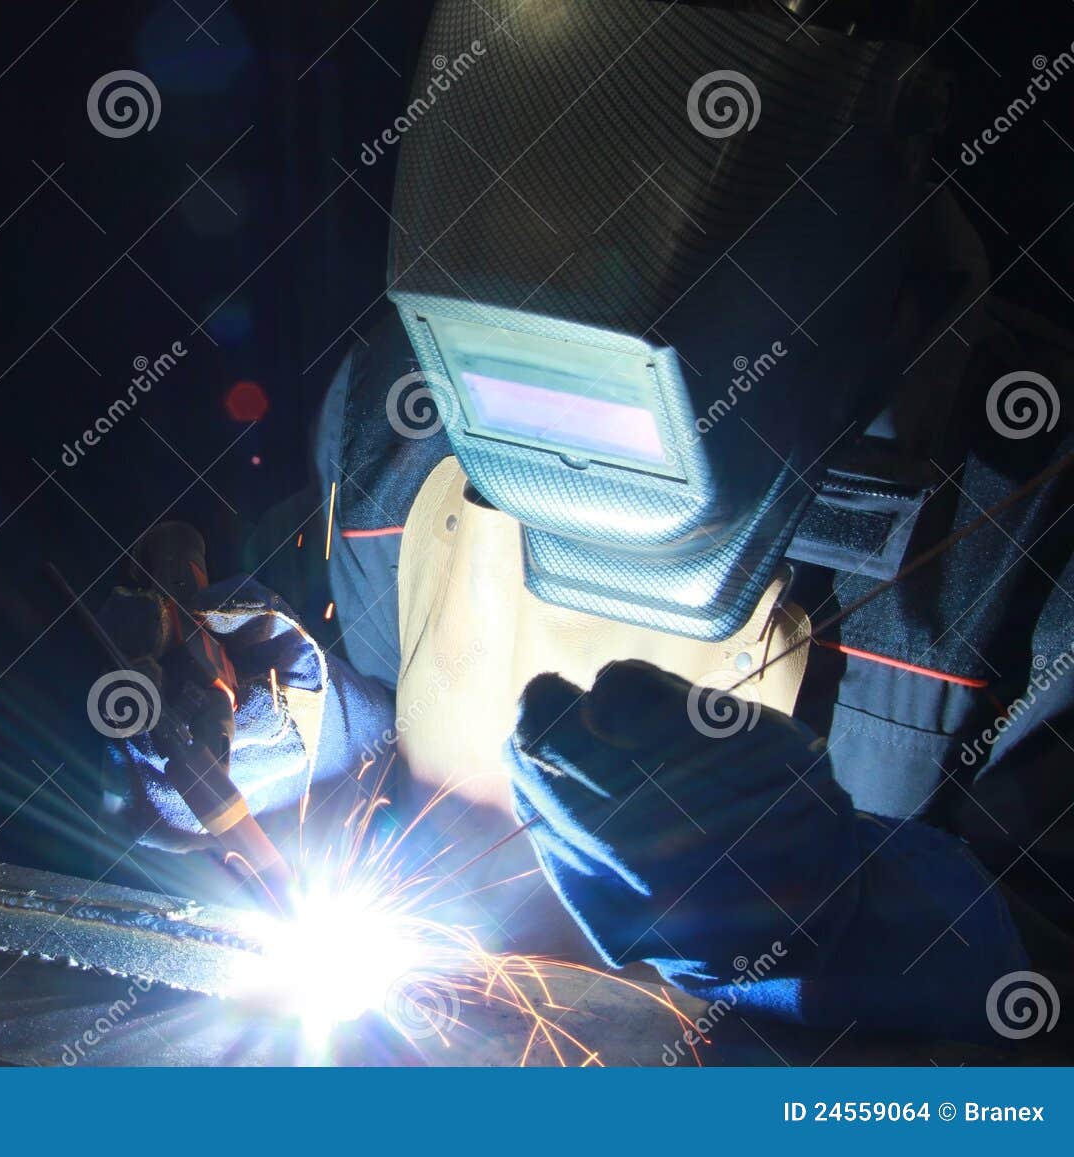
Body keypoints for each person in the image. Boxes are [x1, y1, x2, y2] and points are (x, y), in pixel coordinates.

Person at [99, 0, 1073, 1043]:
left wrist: (816, 919)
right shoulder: (403, 407)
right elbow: (375, 691)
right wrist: (279, 720)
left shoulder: (1025, 533)